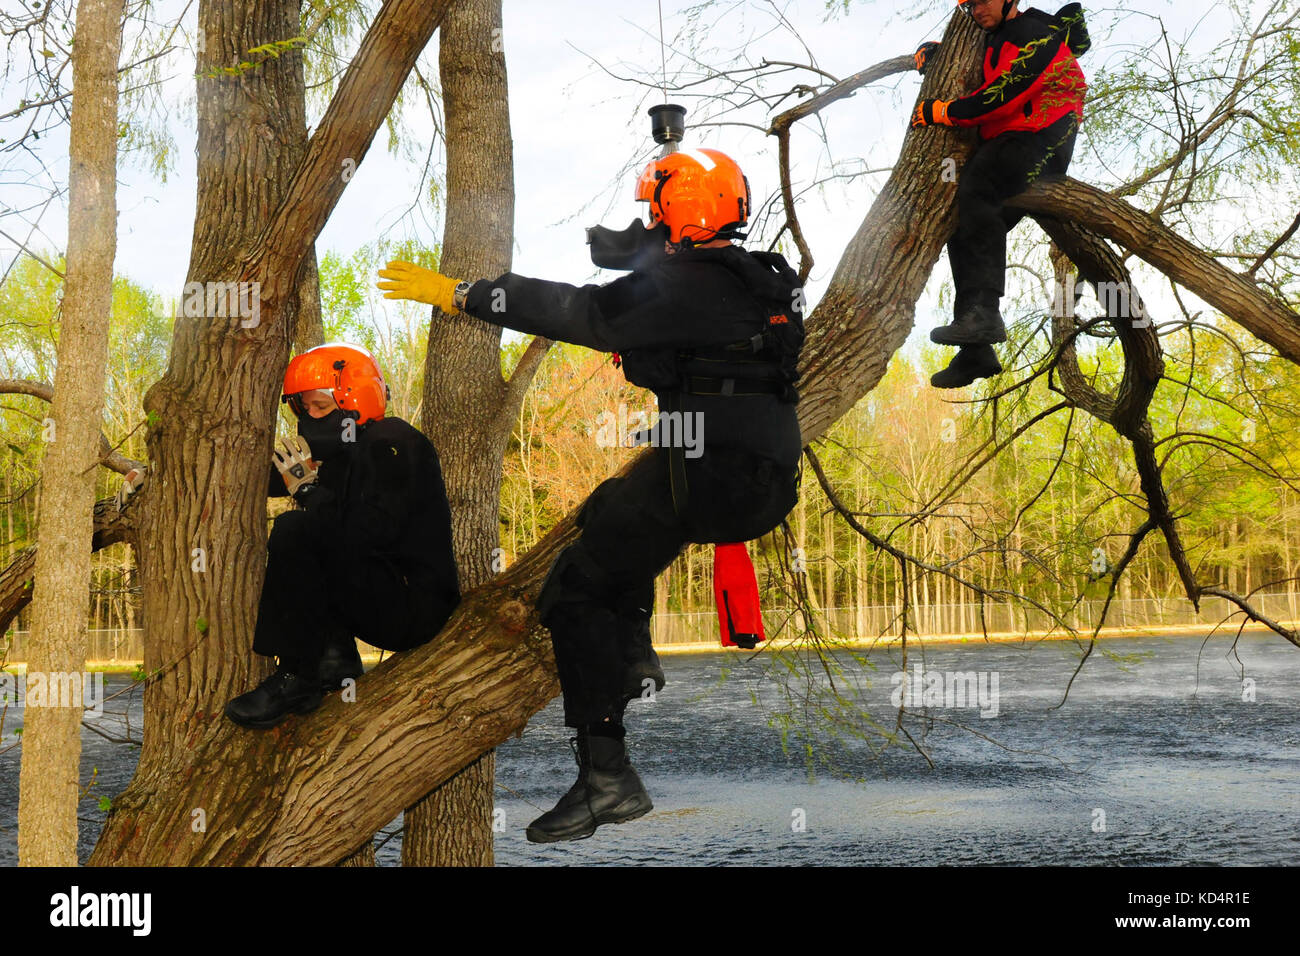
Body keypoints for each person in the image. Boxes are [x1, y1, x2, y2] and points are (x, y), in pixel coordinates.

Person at [377, 146, 804, 842]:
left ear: (683, 212)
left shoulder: (688, 284)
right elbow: (683, 332)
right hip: (755, 476)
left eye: (657, 209)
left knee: (573, 590)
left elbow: (580, 311)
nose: (651, 223)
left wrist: (467, 293)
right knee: (607, 516)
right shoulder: (757, 278)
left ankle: (606, 775)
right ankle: (633, 656)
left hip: (710, 475)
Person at [224, 343, 461, 729]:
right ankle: (335, 665)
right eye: (305, 409)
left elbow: (371, 534)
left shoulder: (392, 442)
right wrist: (157, 476)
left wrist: (308, 490)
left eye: (322, 407)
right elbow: (265, 478)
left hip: (414, 606)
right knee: (311, 533)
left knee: (296, 530)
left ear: (355, 401)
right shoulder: (342, 452)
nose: (312, 418)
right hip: (375, 598)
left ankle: (299, 675)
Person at [911, 0, 1090, 388]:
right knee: (965, 228)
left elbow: (1004, 92)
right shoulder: (998, 40)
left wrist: (943, 111)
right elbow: (986, 74)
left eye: (982, 0)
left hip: (1042, 136)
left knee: (979, 184)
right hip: (1017, 137)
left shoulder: (1034, 31)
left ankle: (984, 315)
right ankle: (976, 349)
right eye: (968, 4)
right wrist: (938, 57)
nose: (976, 9)